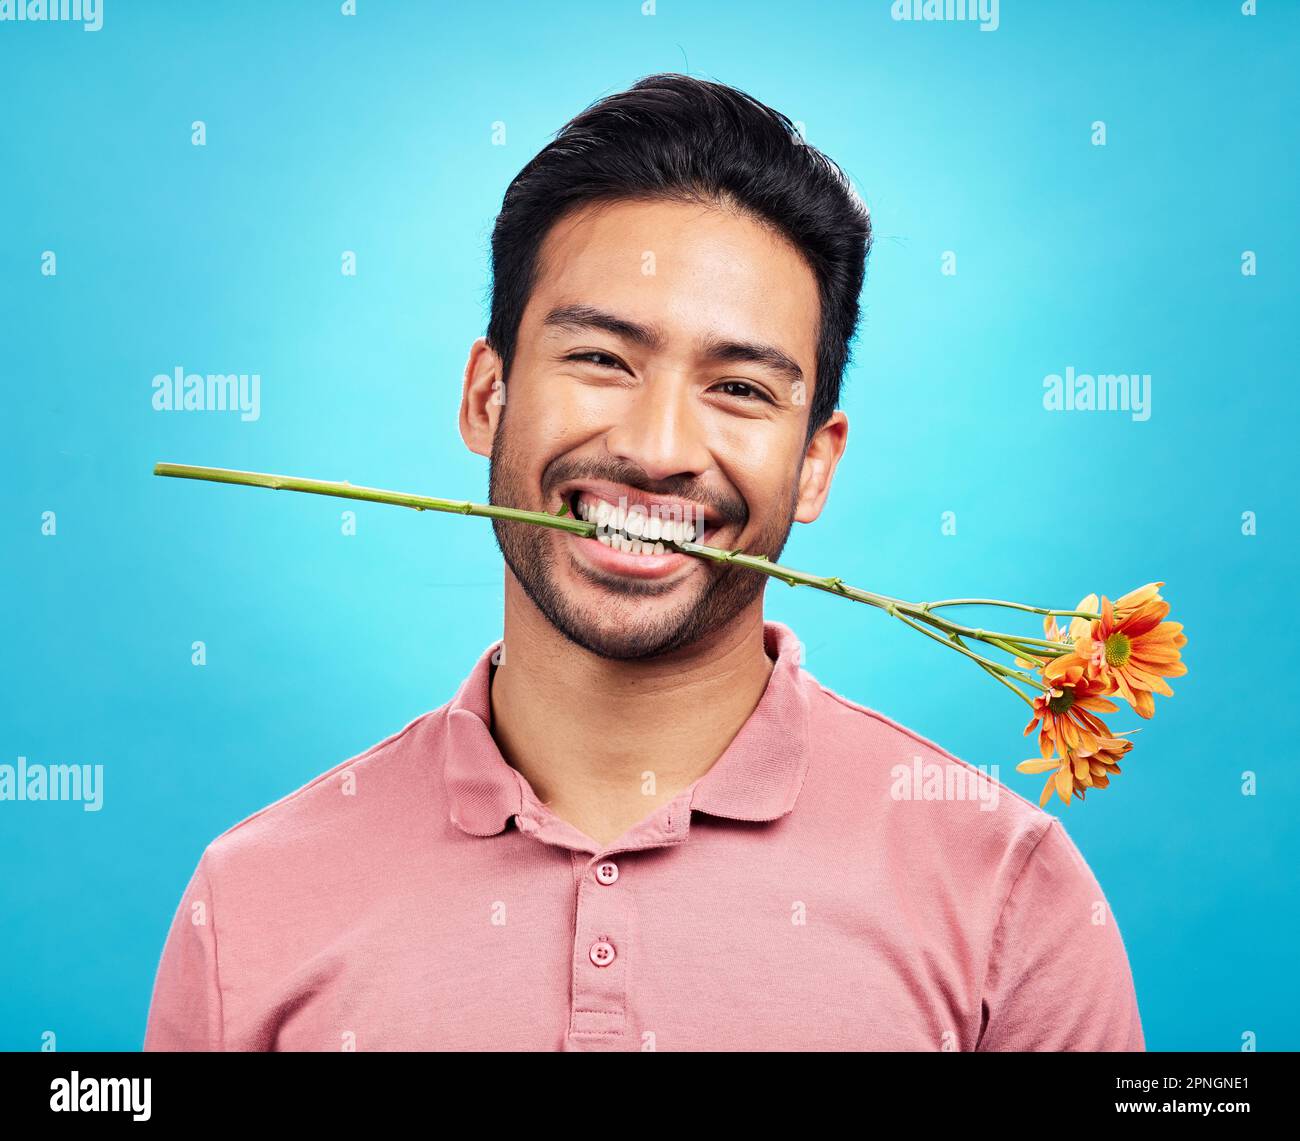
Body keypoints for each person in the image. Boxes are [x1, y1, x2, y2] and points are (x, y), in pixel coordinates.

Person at [144, 73, 1144, 1052]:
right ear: (487, 398)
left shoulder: (1006, 889)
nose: (659, 444)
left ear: (813, 466)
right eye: (601, 359)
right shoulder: (251, 899)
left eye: (741, 388)